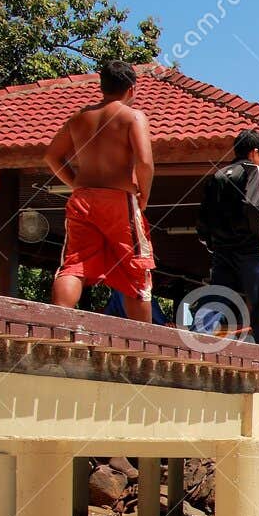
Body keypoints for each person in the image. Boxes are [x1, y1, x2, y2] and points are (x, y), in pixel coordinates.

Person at [45, 60, 155, 322]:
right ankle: (145, 339)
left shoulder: (80, 118)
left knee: (74, 264)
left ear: (102, 87)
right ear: (131, 88)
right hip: (119, 200)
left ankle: (58, 324)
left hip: (83, 197)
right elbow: (145, 162)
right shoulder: (133, 117)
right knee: (135, 267)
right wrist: (144, 195)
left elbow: (52, 156)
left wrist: (75, 184)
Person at [195, 129, 259, 346]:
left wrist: (210, 242)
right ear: (254, 153)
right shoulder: (254, 171)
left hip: (222, 248)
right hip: (251, 248)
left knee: (217, 296)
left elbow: (204, 214)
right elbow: (254, 206)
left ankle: (197, 338)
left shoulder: (218, 175)